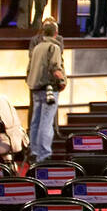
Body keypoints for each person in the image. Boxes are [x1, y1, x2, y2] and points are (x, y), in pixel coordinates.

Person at [25, 19, 66, 164]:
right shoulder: (53, 47)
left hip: (36, 88)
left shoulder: (37, 47)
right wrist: (62, 82)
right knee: (46, 122)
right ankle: (44, 154)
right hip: (49, 88)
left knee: (36, 121)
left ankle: (34, 151)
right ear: (56, 33)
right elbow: (55, 68)